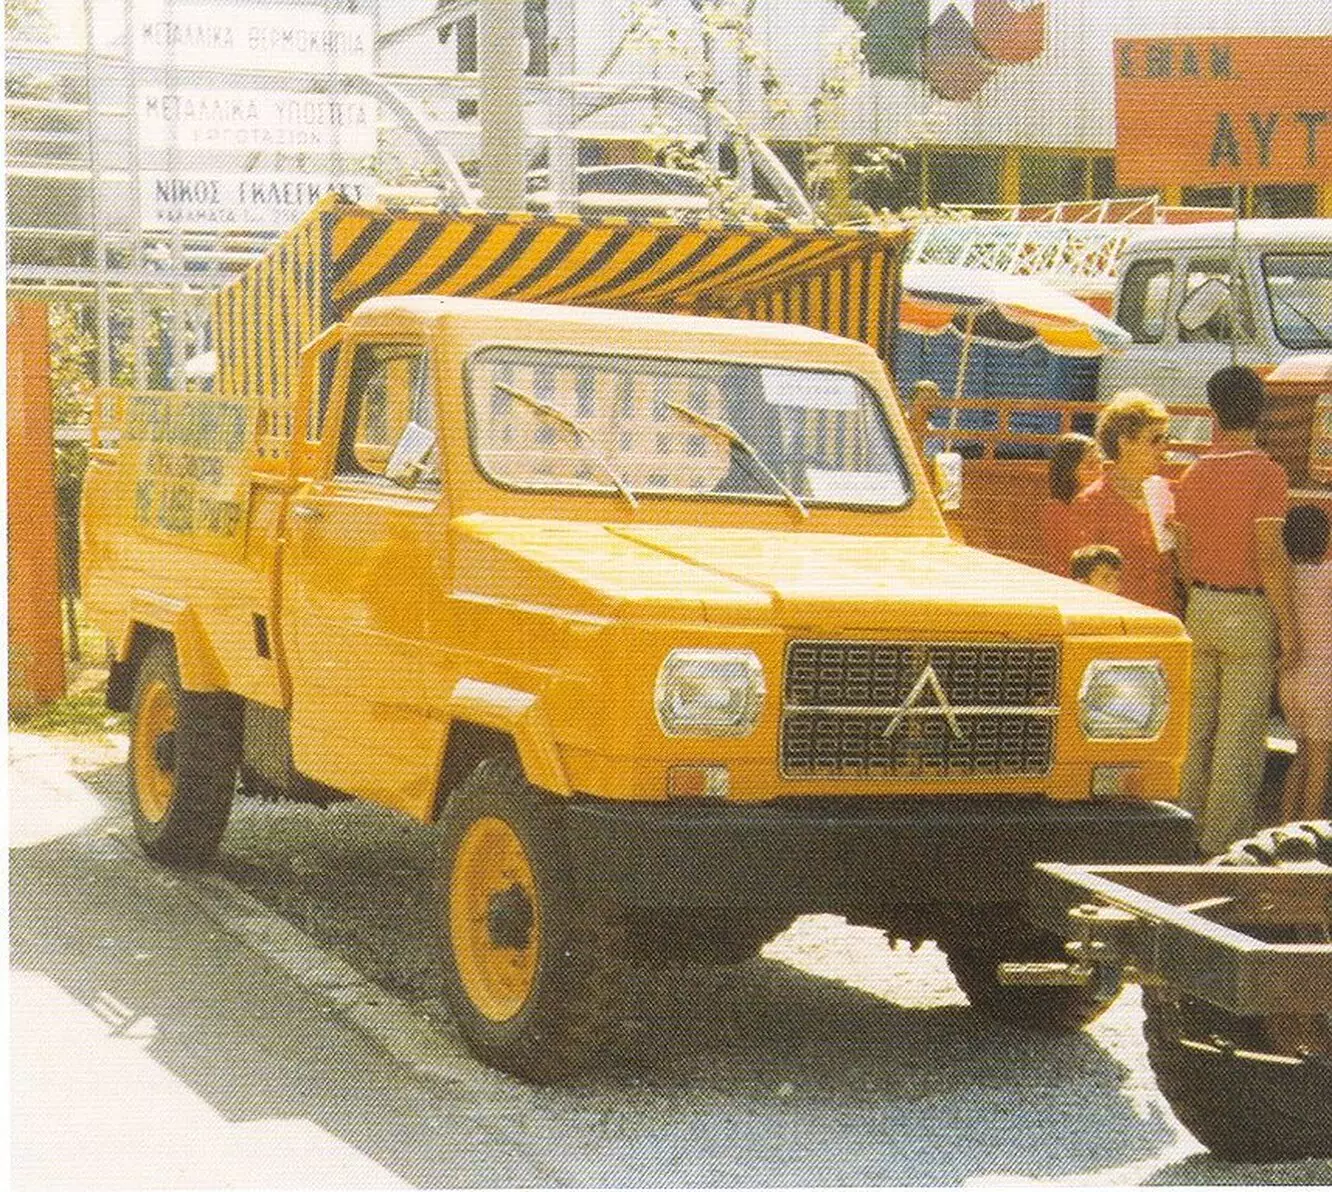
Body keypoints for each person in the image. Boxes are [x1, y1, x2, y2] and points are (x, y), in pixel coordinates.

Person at [1173, 365, 1295, 854]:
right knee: (1239, 737)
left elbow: (1180, 551)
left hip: (1200, 605)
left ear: (1213, 411)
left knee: (1195, 728)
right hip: (1247, 610)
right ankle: (1220, 845)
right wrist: (1289, 629)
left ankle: (1180, 829)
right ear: (1260, 411)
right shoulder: (1268, 473)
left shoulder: (1193, 472)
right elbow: (1270, 553)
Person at [1070, 391, 1177, 613]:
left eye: (1165, 439)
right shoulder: (1091, 503)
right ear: (1125, 442)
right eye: (1155, 440)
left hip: (1166, 625)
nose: (1163, 448)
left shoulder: (1165, 493)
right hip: (1120, 623)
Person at [1278, 505, 1332, 822]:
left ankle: (1285, 824)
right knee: (1321, 760)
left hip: (1291, 679)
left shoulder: (1284, 578)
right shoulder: (1327, 577)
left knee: (1301, 755)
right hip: (1323, 678)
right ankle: (1308, 830)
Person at [1041, 433, 1103, 576]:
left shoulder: (1101, 501)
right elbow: (1081, 558)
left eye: (1100, 463)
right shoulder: (1055, 509)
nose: (1098, 471)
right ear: (1069, 470)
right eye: (1090, 465)